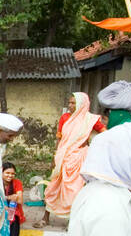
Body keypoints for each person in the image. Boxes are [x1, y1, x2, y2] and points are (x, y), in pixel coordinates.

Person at [43, 91, 103, 220]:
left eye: (73, 103)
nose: (70, 105)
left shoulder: (90, 119)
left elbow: (104, 132)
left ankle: (72, 220)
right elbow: (59, 138)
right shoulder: (65, 117)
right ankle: (45, 217)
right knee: (54, 186)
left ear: (82, 104)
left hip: (79, 157)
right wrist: (55, 156)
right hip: (63, 156)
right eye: (69, 102)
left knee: (75, 190)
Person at [3, 162, 25, 236]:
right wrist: (10, 197)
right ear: (2, 173)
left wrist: (4, 197)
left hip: (13, 212)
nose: (10, 176)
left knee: (14, 217)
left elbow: (19, 200)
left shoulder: (17, 183)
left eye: (12, 174)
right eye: (7, 173)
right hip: (1, 210)